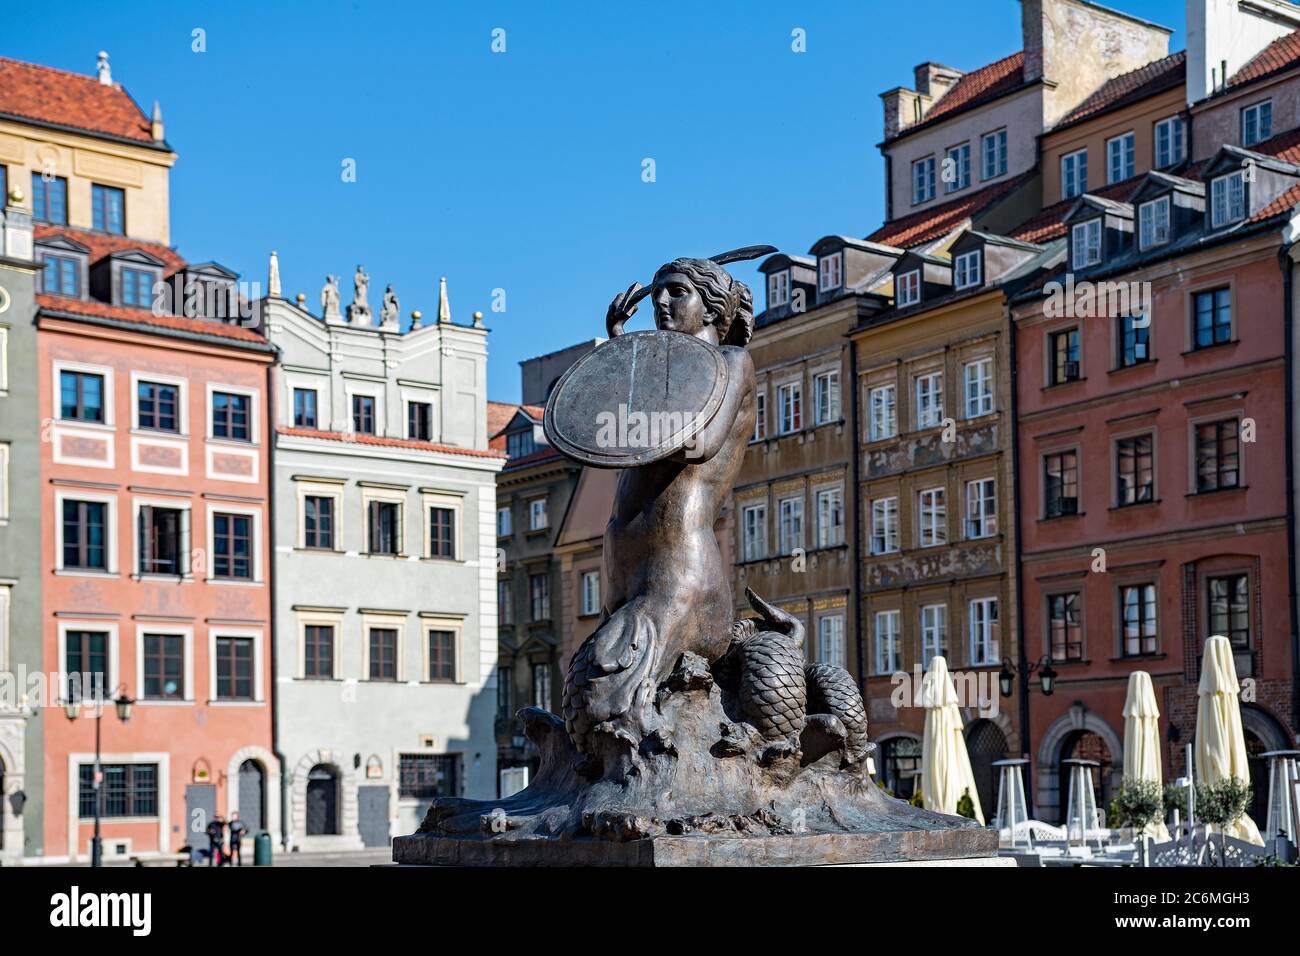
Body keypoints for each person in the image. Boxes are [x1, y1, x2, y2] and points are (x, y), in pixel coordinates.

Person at [561, 257, 756, 771]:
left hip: (679, 565)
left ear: (712, 305)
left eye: (676, 293)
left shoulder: (732, 363)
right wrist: (624, 349)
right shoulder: (659, 367)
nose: (661, 305)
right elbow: (600, 423)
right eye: (656, 296)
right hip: (624, 557)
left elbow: (696, 444)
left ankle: (647, 792)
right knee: (597, 698)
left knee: (609, 694)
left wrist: (634, 371)